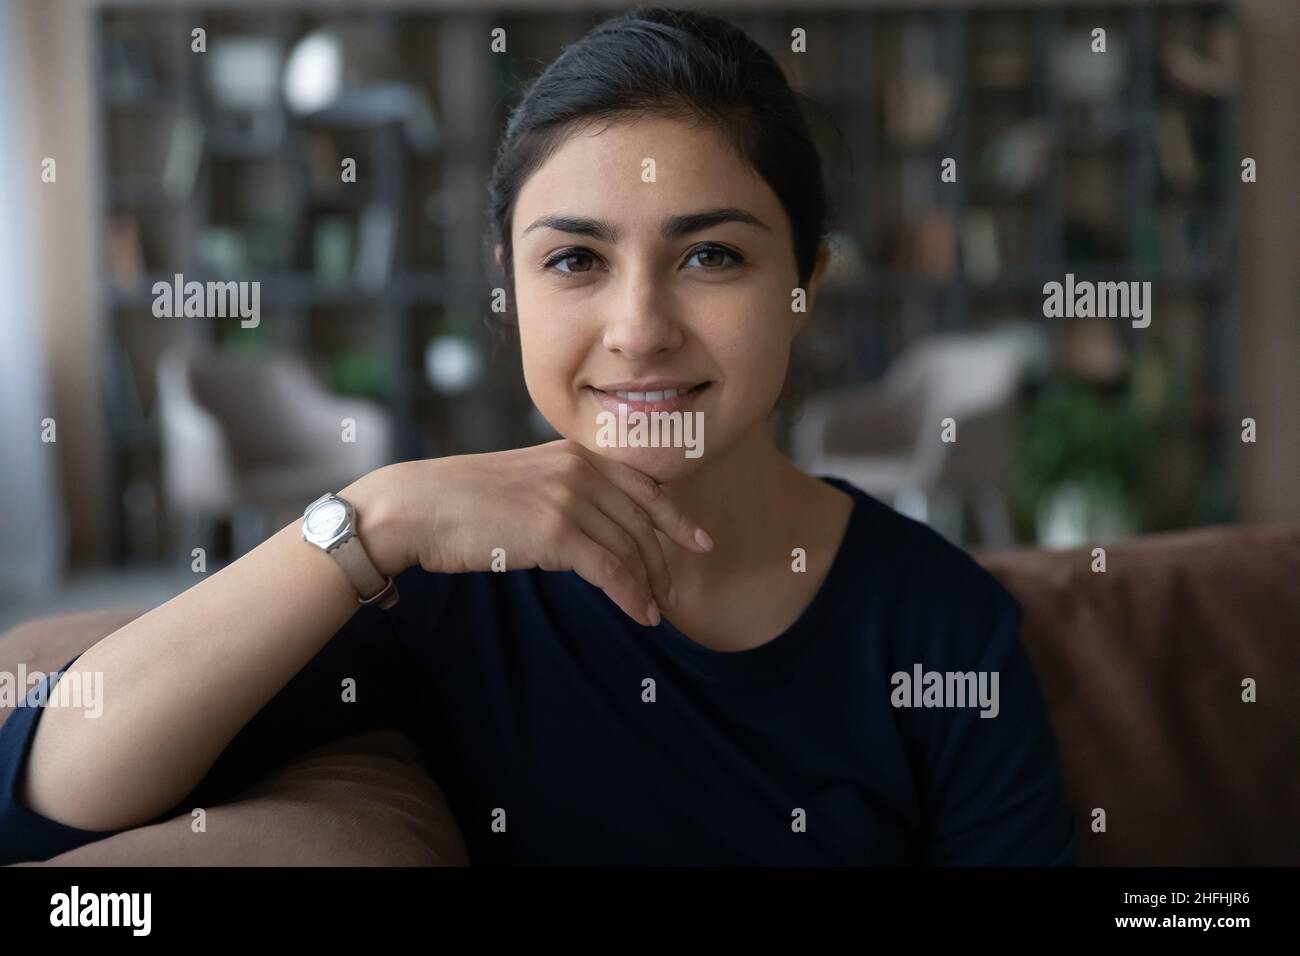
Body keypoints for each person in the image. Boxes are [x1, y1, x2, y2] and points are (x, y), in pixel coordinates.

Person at [0, 7, 1075, 866]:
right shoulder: (433, 584)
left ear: (804, 287)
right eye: (574, 261)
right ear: (507, 294)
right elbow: (44, 797)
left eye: (711, 257)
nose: (640, 328)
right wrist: (381, 511)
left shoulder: (940, 623)